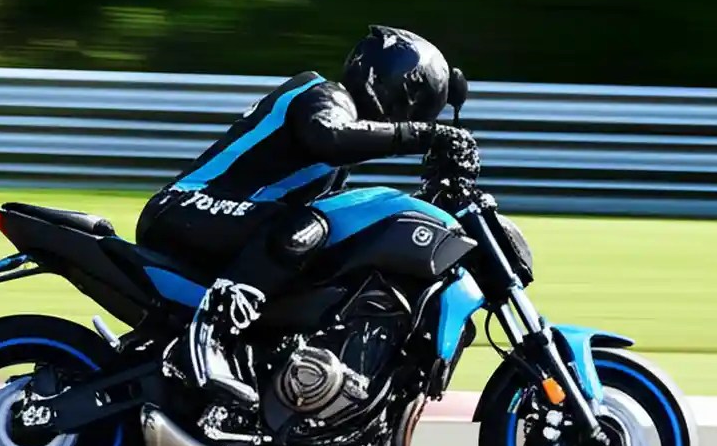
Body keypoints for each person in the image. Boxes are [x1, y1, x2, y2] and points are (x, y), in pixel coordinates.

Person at [135, 25, 481, 408]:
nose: (414, 114)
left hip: (222, 223)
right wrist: (426, 135)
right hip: (187, 206)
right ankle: (208, 337)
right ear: (392, 80)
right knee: (302, 229)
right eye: (416, 105)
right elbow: (330, 137)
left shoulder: (335, 161)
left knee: (325, 248)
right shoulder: (321, 94)